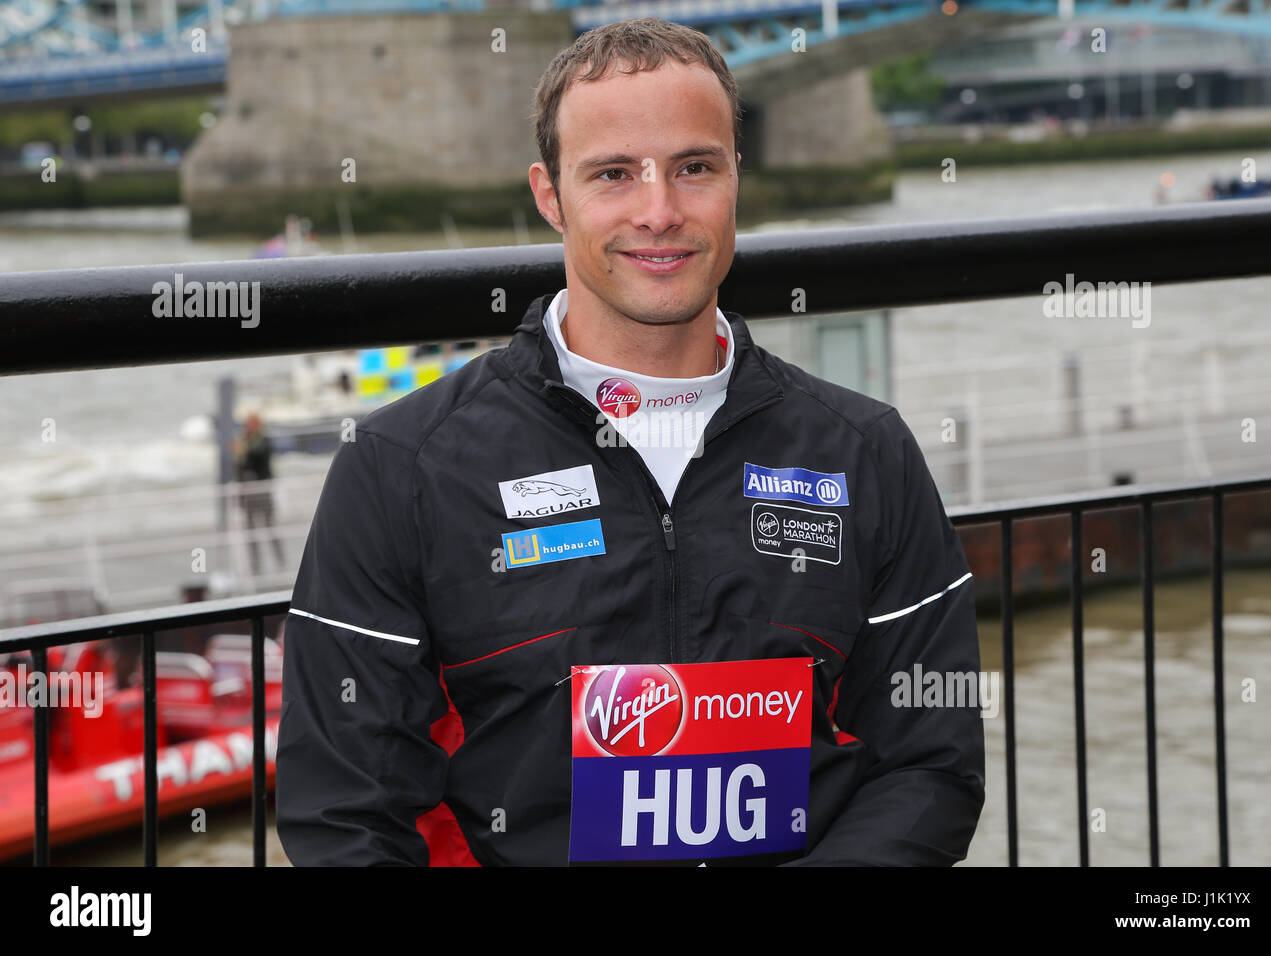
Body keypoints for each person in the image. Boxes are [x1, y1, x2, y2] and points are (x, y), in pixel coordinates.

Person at [276, 17, 984, 866]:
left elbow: (931, 765)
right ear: (550, 195)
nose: (660, 211)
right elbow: (342, 813)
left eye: (695, 168)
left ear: (735, 181)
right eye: (613, 174)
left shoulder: (864, 450)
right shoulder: (400, 469)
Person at [233, 412, 285, 576]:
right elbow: (239, 467)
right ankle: (255, 567)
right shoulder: (245, 440)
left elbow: (258, 455)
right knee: (250, 531)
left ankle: (280, 563)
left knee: (270, 527)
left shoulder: (263, 440)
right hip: (247, 492)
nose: (246, 427)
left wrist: (244, 450)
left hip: (262, 490)